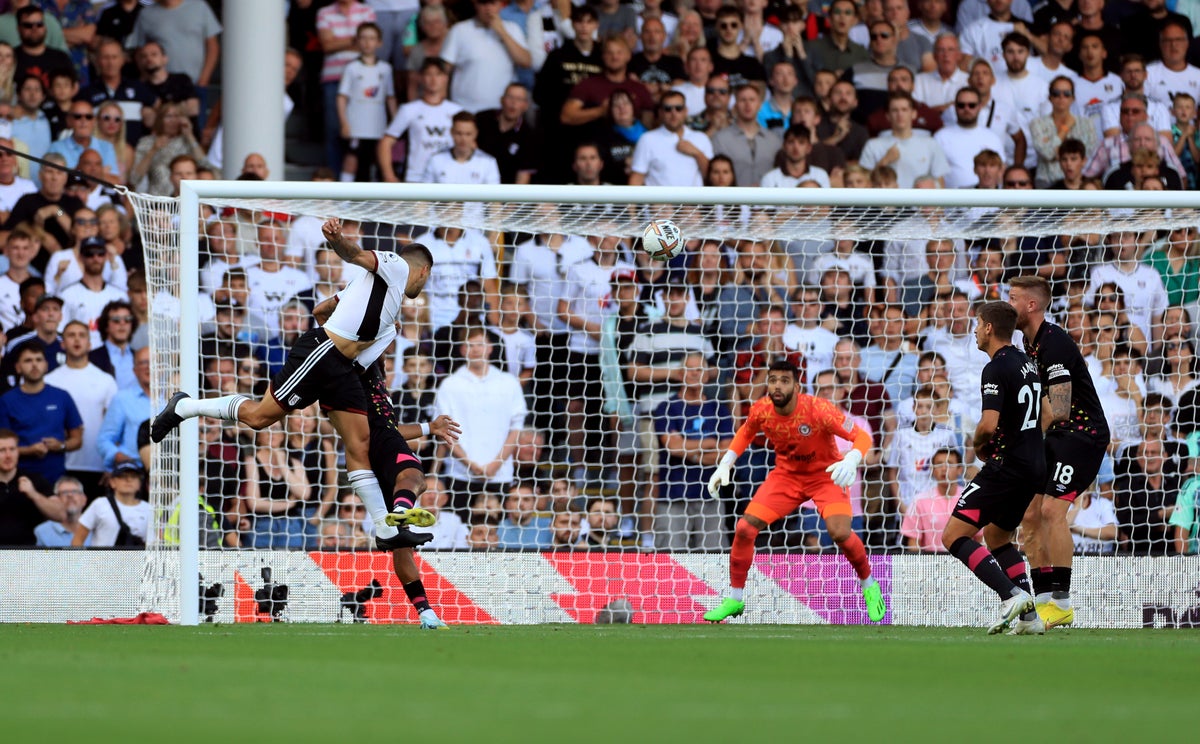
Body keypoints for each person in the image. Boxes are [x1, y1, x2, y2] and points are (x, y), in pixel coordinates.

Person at [151, 218, 434, 552]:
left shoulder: (380, 301)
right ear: (424, 271)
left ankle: (386, 530)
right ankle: (185, 406)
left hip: (341, 369)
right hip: (322, 353)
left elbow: (321, 309)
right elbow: (356, 254)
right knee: (258, 418)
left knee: (360, 445)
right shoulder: (397, 266)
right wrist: (337, 240)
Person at [703, 360, 886, 623]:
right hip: (786, 478)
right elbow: (746, 431)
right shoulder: (762, 409)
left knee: (840, 532)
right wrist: (725, 463)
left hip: (825, 477)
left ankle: (869, 584)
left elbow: (862, 437)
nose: (777, 386)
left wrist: (852, 459)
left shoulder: (819, 410)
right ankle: (735, 598)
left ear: (797, 386)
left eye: (784, 381)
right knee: (744, 528)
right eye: (773, 380)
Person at [1008, 275, 1111, 628]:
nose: (1009, 304)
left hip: (1082, 435)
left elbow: (1061, 409)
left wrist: (1024, 440)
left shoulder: (1055, 343)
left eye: (1013, 298)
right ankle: (1042, 600)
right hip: (1056, 437)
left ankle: (1063, 603)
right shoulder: (1028, 341)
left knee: (1052, 510)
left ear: (1031, 305)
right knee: (1030, 514)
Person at [939, 301, 1043, 635]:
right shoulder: (1027, 363)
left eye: (977, 323)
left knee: (953, 535)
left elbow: (987, 423)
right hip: (1033, 464)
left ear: (987, 328)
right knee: (998, 536)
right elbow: (1047, 414)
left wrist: (978, 445)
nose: (974, 330)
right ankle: (1030, 618)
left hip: (1008, 465)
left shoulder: (996, 367)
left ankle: (1011, 595)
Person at [432, 325, 527, 514]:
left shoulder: (508, 382)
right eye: (470, 345)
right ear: (462, 350)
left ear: (490, 347)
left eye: (480, 344)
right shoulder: (450, 385)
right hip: (460, 475)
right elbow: (443, 431)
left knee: (497, 536)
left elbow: (516, 429)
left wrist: (496, 464)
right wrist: (471, 465)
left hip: (499, 475)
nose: (476, 349)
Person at [654, 351, 733, 550]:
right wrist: (709, 443)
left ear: (707, 375)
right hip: (674, 494)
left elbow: (727, 452)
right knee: (670, 557)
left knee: (714, 557)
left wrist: (688, 449)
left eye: (699, 369)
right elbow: (673, 446)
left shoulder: (719, 409)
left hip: (711, 494)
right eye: (690, 369)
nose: (695, 374)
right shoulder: (666, 407)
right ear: (681, 374)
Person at [43, 321, 117, 499]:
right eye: (71, 335)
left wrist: (110, 465)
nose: (77, 340)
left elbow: (114, 426)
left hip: (97, 466)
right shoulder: (49, 380)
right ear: (62, 343)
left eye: (82, 335)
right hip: (59, 464)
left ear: (90, 344)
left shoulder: (105, 380)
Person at [0, 341, 82, 485]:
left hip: (56, 478)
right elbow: (2, 445)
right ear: (18, 368)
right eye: (28, 361)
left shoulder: (62, 397)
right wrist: (29, 450)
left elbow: (77, 439)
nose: (34, 365)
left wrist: (60, 446)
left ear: (46, 365)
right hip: (18, 479)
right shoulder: (6, 401)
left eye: (39, 360)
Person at [377, 57, 460, 183]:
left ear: (445, 78)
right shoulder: (409, 110)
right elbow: (386, 142)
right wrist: (389, 176)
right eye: (428, 74)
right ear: (421, 78)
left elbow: (470, 144)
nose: (433, 79)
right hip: (416, 179)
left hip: (450, 178)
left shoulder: (457, 110)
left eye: (438, 74)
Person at [337, 21, 398, 183]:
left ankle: (374, 200)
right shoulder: (351, 68)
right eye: (363, 38)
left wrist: (395, 123)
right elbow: (342, 97)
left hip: (377, 124)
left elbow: (390, 97)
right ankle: (344, 198)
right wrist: (344, 123)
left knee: (377, 159)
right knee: (352, 159)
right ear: (357, 41)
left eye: (372, 38)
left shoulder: (385, 68)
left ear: (379, 42)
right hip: (356, 123)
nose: (367, 42)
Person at [629, 90, 712, 186]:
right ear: (660, 112)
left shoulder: (701, 138)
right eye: (668, 109)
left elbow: (711, 177)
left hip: (694, 201)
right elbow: (637, 177)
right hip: (659, 200)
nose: (674, 113)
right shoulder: (647, 139)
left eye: (679, 108)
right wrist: (632, 201)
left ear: (686, 111)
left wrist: (697, 154)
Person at [72, 461, 151, 547]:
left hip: (137, 559)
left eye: (134, 477)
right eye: (123, 476)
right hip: (101, 560)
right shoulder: (99, 504)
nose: (129, 480)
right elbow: (78, 539)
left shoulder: (149, 509)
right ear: (112, 482)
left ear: (140, 484)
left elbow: (153, 543)